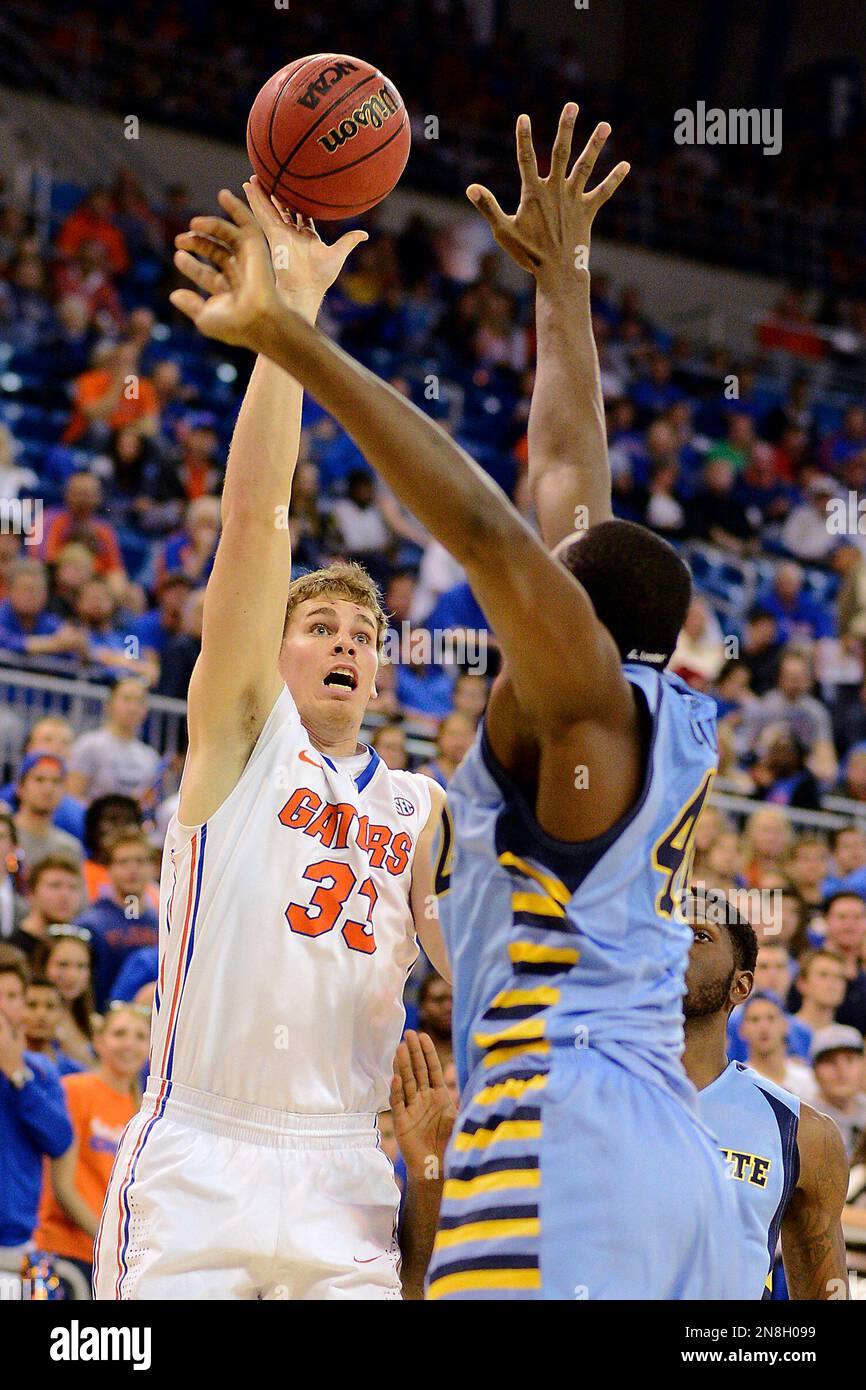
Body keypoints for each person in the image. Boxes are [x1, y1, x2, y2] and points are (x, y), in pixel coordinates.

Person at [168, 113, 751, 1299]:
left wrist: (291, 335)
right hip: (658, 1134)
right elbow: (566, 481)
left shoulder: (572, 701)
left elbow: (493, 526)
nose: (523, 599)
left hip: (560, 1132)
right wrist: (562, 283)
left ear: (568, 621)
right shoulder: (662, 713)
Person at [94, 185, 447, 1302]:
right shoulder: (242, 735)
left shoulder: (421, 808)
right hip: (198, 1153)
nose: (346, 644)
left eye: (364, 634)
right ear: (278, 651)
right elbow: (257, 521)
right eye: (320, 626)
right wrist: (285, 327)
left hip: (344, 1166)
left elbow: (472, 965)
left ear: (381, 671)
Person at [682, 892, 849, 1299]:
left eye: (699, 935)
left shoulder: (800, 1132)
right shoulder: (566, 1095)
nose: (673, 943)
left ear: (740, 986)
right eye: (660, 932)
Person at [37, 1003, 150, 1285]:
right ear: (99, 1042)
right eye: (119, 1033)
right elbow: (62, 1182)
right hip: (56, 1250)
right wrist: (107, 1239)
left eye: (140, 1036)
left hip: (111, 1262)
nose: (129, 1044)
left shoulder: (145, 1113)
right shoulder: (73, 1090)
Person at [0, 946, 73, 1270]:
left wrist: (17, 1074)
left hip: (20, 1244)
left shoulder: (40, 1070)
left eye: (14, 995)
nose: (4, 1005)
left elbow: (60, 1139)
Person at [75, 830, 160, 1010]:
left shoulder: (162, 923)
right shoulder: (90, 924)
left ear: (154, 868)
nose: (133, 869)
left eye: (140, 861)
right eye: (123, 862)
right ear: (108, 869)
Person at [68, 680, 160, 806]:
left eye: (140, 701)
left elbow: (150, 802)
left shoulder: (150, 756)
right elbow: (72, 796)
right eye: (127, 699)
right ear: (109, 704)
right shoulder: (89, 745)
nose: (133, 708)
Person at [32, 930, 97, 1068]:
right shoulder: (33, 1021)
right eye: (63, 965)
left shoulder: (95, 1023)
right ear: (43, 967)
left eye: (81, 966)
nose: (72, 975)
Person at [738, 992, 818, 1102]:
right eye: (755, 1019)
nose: (763, 1027)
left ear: (785, 1025)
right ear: (742, 1030)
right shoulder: (738, 1083)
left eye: (771, 1018)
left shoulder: (808, 1080)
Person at [13, 755, 83, 872]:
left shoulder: (69, 848)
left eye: (56, 781)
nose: (48, 788)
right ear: (20, 788)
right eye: (39, 779)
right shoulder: (5, 838)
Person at [9, 855, 84, 960]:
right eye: (55, 885)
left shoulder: (82, 947)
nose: (65, 895)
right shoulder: (13, 950)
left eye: (73, 887)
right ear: (31, 893)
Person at [809, 1025, 866, 1158]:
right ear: (814, 1070)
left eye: (849, 1060)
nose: (842, 1071)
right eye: (830, 1061)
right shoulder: (804, 1121)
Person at [23, 976, 85, 1077]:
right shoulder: (6, 1065)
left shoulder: (74, 1071)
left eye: (50, 1006)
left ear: (63, 1013)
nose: (41, 1014)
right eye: (32, 1005)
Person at [793, 949, 848, 1039]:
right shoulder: (784, 1030)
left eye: (839, 976)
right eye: (823, 975)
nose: (832, 983)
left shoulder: (849, 1037)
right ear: (802, 983)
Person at [416, 973, 453, 1071]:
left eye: (454, 999)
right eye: (438, 1000)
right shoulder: (409, 1053)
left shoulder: (472, 1051)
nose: (448, 1007)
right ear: (422, 1008)